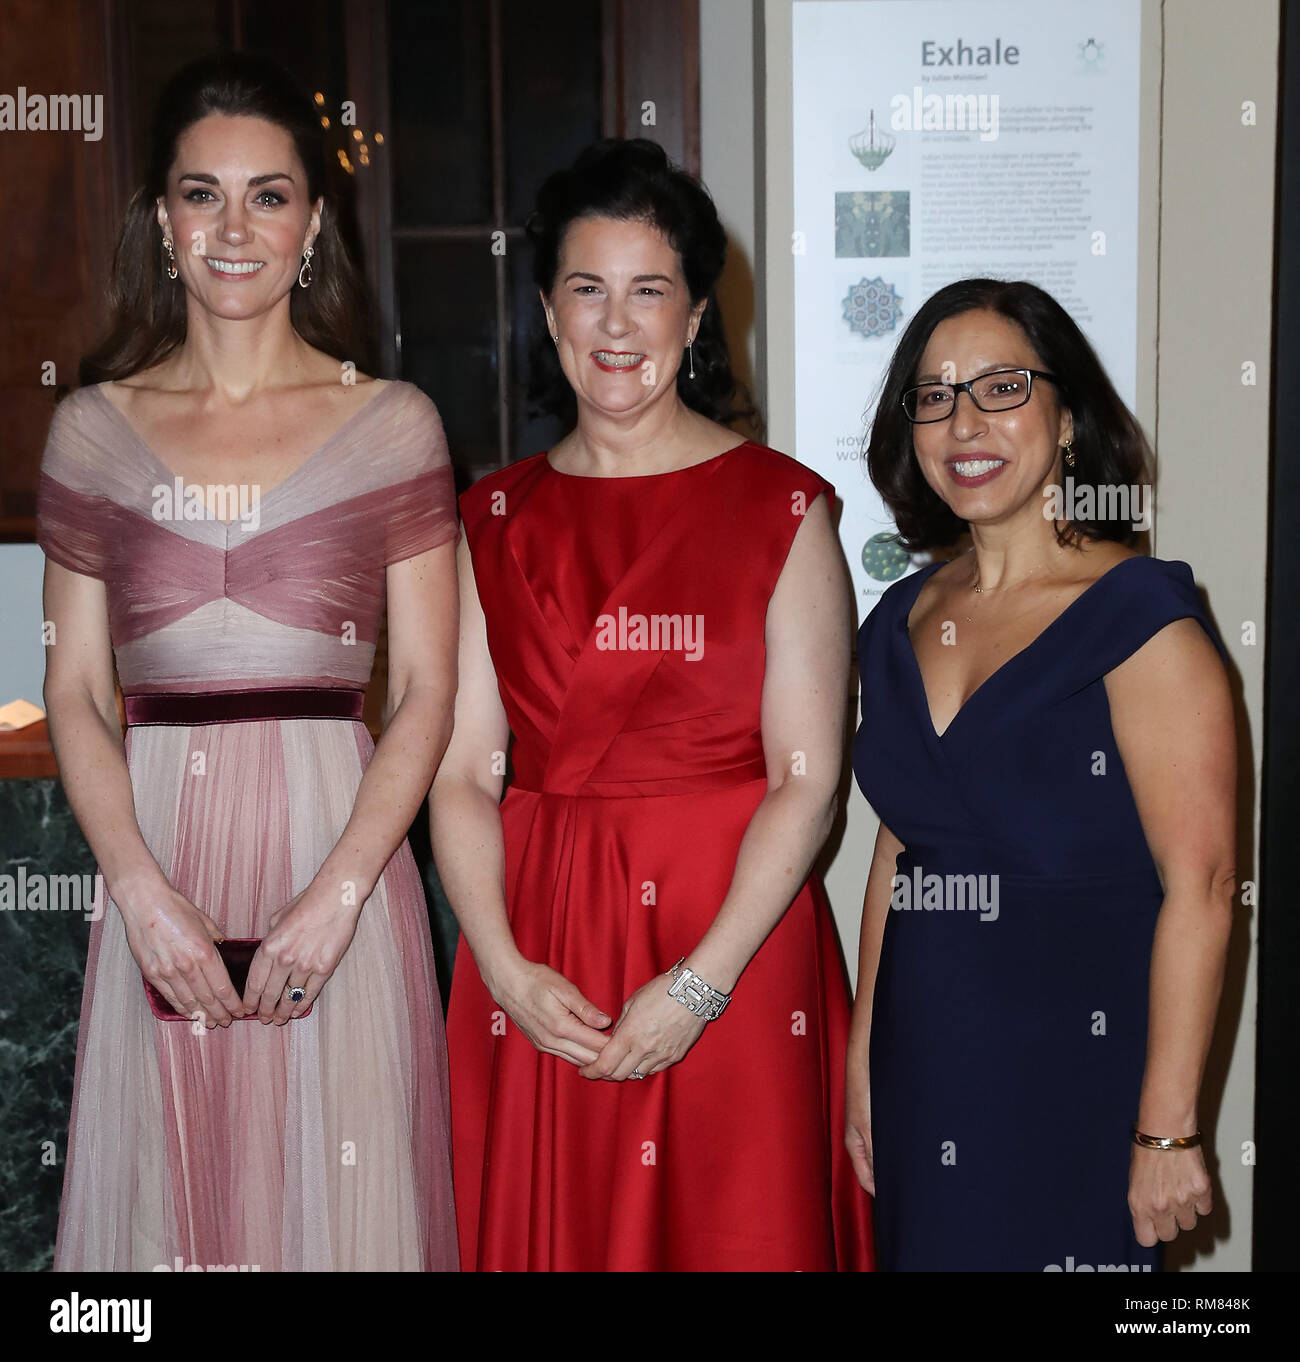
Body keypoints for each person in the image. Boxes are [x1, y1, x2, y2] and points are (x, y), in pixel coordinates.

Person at [38, 53, 459, 1271]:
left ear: (313, 224)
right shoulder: (90, 429)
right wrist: (140, 896)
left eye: (267, 196)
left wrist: (337, 902)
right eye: (201, 194)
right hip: (155, 863)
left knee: (344, 1212)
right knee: (161, 1226)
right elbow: (72, 689)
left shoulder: (393, 422)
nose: (235, 229)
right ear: (160, 222)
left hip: (340, 861)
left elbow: (427, 689)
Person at [431, 138, 873, 1271]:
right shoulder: (488, 518)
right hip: (542, 952)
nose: (615, 325)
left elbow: (809, 779)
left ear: (693, 319)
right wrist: (503, 966)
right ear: (546, 310)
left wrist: (701, 983)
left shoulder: (784, 509)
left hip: (735, 941)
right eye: (587, 290)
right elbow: (462, 768)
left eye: (648, 291)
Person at [848, 278, 1236, 1271]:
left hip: (1079, 1075)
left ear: (1066, 421)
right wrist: (861, 1062)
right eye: (932, 395)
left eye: (1000, 387)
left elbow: (1198, 886)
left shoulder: (1139, 617)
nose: (962, 421)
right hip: (924, 1065)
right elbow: (900, 849)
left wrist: (1166, 1130)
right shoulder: (895, 621)